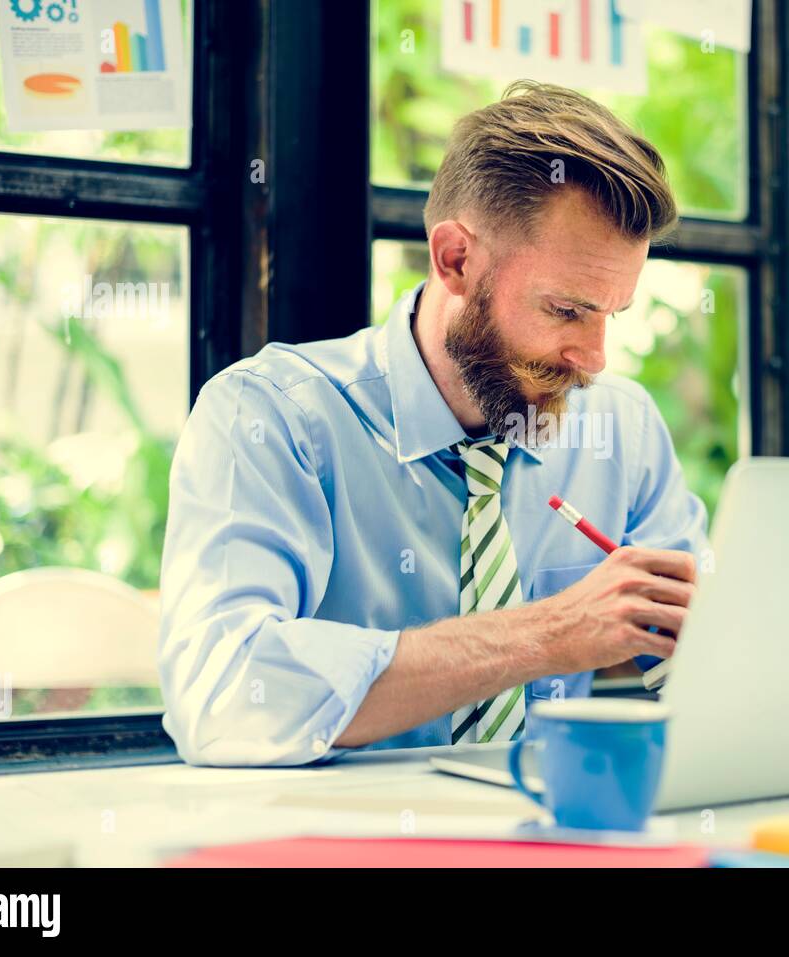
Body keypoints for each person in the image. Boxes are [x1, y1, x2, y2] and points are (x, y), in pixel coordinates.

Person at [158, 80, 709, 766]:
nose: (593, 358)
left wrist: (721, 650)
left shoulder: (621, 427)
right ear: (455, 259)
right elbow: (222, 695)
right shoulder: (271, 416)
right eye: (566, 311)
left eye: (610, 314)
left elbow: (713, 666)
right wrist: (550, 633)